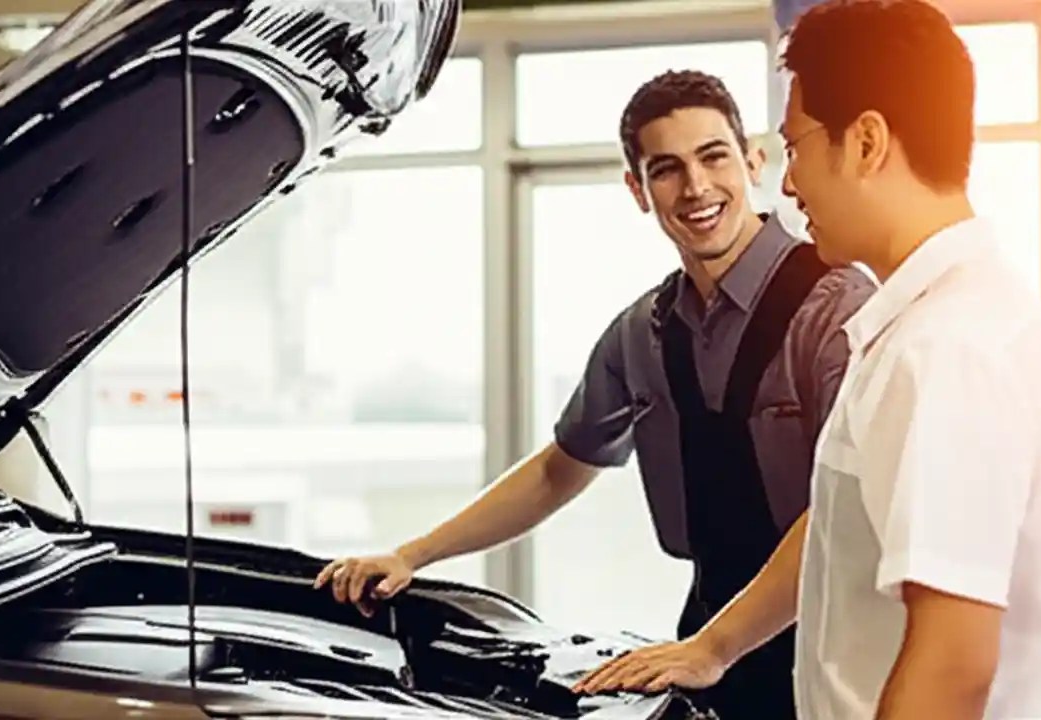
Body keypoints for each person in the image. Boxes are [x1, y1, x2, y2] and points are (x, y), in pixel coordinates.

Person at [575, 1, 1041, 719]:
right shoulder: (928, 325)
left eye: (794, 147)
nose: (788, 185)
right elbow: (836, 520)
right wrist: (715, 647)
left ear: (865, 142)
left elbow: (953, 667)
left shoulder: (946, 352)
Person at [314, 69, 875, 718]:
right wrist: (413, 553)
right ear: (638, 189)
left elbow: (845, 506)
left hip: (838, 647)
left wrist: (715, 647)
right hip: (709, 648)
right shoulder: (643, 333)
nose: (695, 187)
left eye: (713, 156)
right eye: (665, 169)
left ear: (752, 160)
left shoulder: (838, 307)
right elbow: (559, 469)